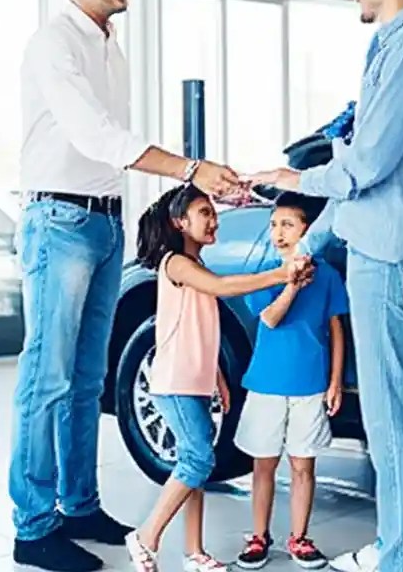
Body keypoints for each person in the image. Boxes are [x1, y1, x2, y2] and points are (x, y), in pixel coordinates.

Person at [11, 0, 242, 572]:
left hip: (106, 220)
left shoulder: (111, 47)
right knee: (46, 381)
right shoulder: (52, 45)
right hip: (59, 222)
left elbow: (114, 145)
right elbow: (97, 133)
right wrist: (191, 169)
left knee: (88, 380)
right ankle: (33, 527)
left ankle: (79, 506)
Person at [249, 0, 403, 572]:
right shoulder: (391, 49)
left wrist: (294, 180)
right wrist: (310, 241)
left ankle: (401, 559)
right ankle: (398, 550)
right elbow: (370, 180)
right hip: (374, 250)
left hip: (391, 260)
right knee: (388, 416)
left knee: (392, 418)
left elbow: (366, 163)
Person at [124, 185, 313, 572]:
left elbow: (196, 328)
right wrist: (281, 273)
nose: (213, 220)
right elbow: (224, 288)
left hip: (194, 381)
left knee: (194, 466)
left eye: (213, 212)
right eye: (203, 213)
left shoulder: (198, 267)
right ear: (180, 222)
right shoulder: (175, 264)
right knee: (197, 459)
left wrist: (217, 379)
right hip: (174, 383)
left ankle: (194, 552)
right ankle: (146, 536)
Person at [233, 192, 348, 571]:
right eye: (273, 224)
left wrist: (335, 382)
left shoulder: (329, 277)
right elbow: (270, 318)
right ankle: (258, 536)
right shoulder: (266, 272)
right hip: (266, 385)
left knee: (304, 467)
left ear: (309, 230)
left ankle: (299, 537)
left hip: (310, 387)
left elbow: (336, 330)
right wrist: (293, 283)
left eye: (288, 225)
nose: (278, 232)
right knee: (263, 466)